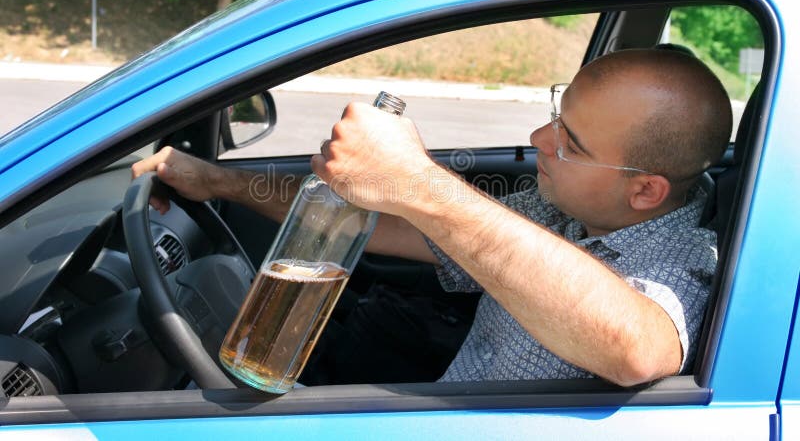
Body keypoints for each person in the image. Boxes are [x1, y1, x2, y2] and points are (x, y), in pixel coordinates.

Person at [132, 48, 732, 387]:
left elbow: (637, 349)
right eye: (557, 115)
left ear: (645, 191)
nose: (537, 138)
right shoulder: (567, 211)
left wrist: (421, 181)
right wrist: (215, 182)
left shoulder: (687, 257)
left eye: (569, 143)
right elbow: (404, 225)